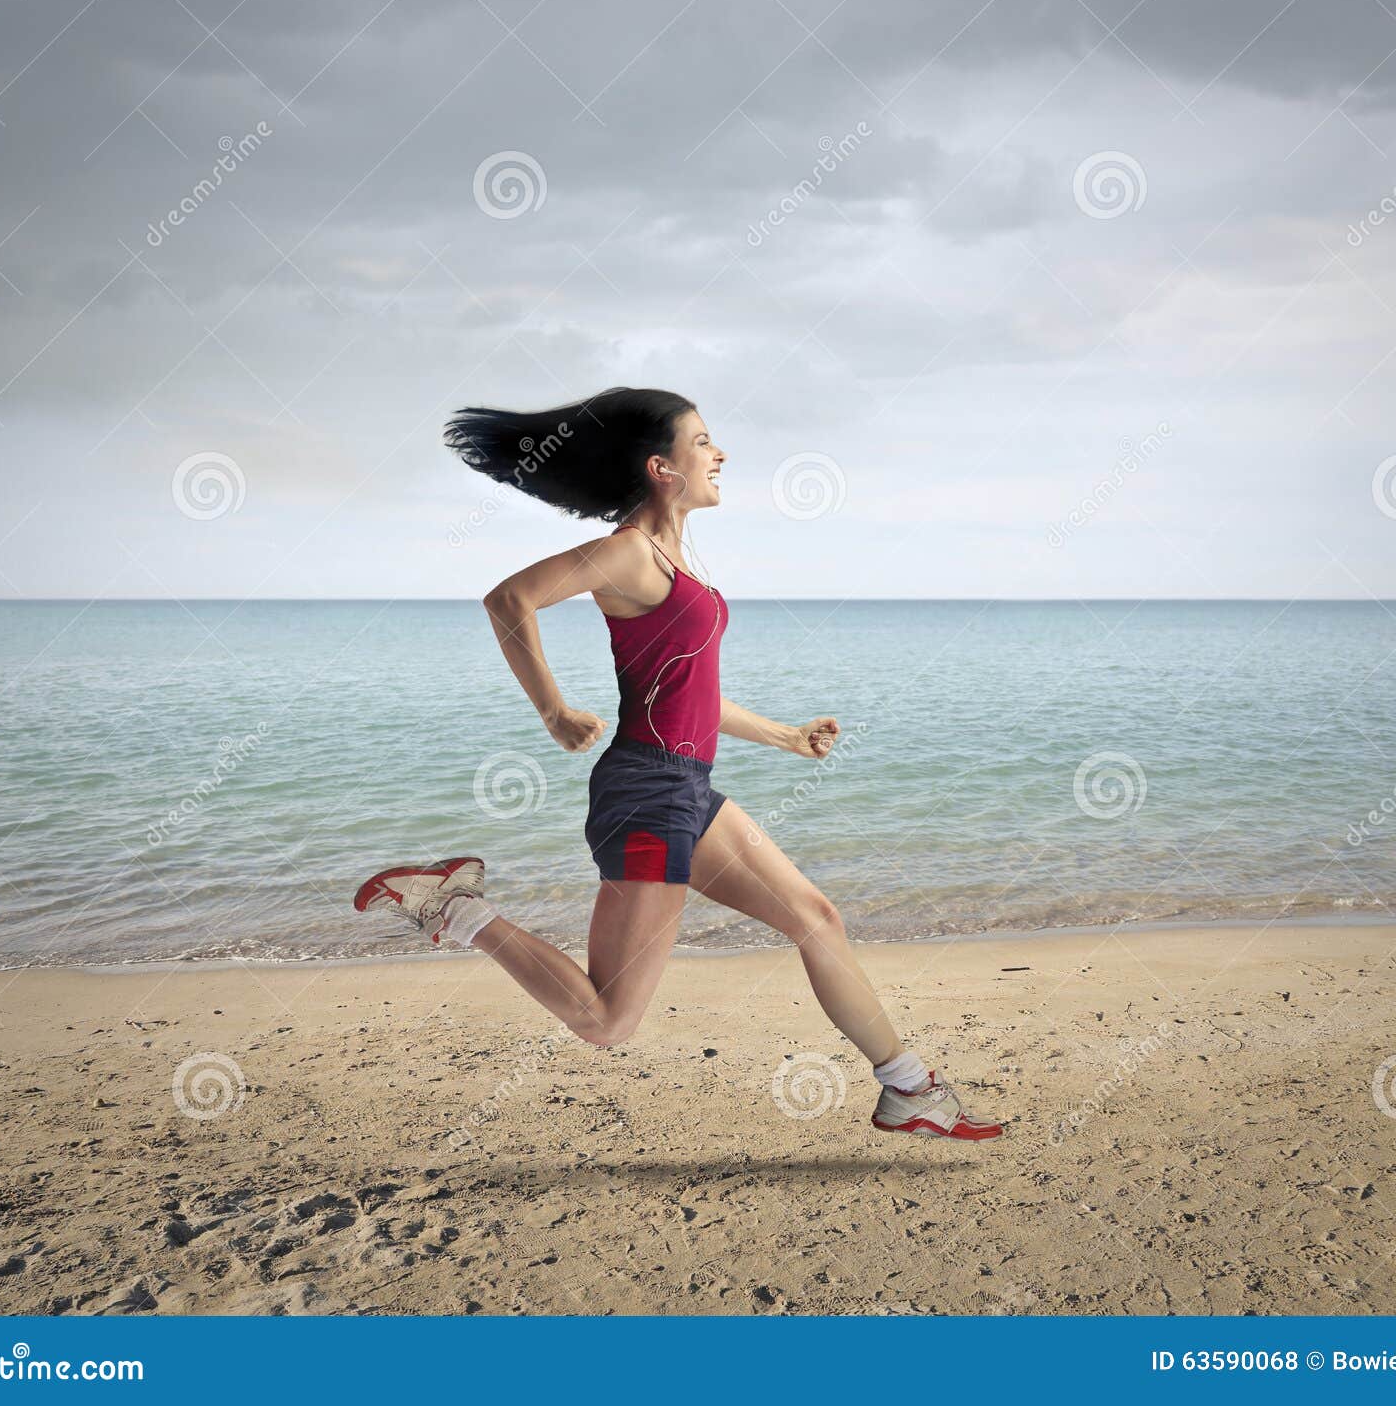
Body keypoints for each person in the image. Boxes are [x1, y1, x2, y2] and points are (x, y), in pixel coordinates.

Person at [353, 387, 1002, 1140]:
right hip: (646, 796)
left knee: (817, 918)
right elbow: (509, 600)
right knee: (608, 1019)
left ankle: (908, 1088)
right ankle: (454, 907)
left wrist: (788, 738)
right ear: (662, 467)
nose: (718, 453)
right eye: (702, 442)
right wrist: (555, 711)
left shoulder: (674, 559)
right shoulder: (628, 552)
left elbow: (694, 696)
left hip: (684, 788)